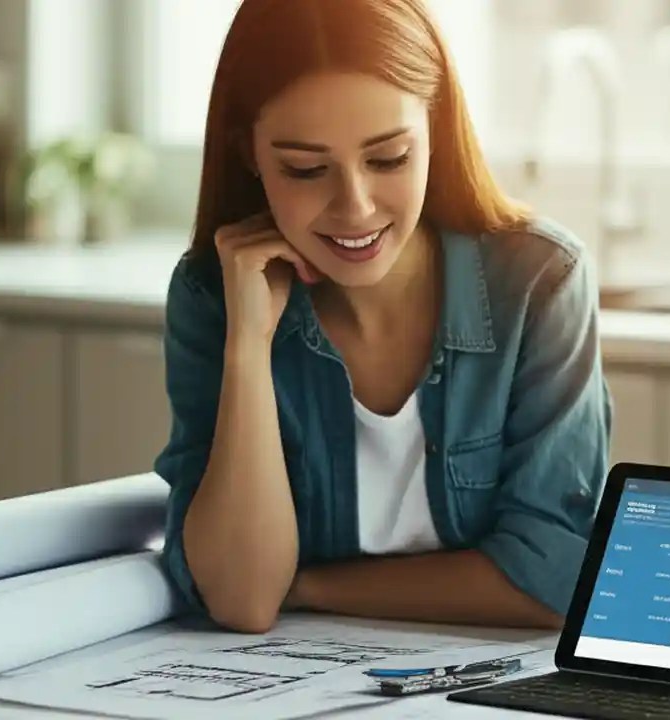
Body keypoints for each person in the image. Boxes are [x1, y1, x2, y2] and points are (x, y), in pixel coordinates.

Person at [153, 0, 610, 635]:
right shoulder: (213, 295)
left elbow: (554, 579)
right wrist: (247, 350)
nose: (355, 207)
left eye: (389, 158)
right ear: (249, 153)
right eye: (306, 169)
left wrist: (307, 584)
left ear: (436, 128)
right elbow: (243, 598)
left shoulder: (539, 280)